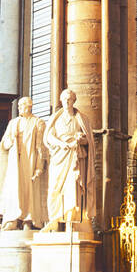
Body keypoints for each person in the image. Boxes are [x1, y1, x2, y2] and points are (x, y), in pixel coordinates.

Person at [41, 88, 96, 230]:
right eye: (64, 99)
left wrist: (79, 140)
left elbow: (88, 141)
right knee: (55, 187)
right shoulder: (56, 118)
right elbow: (49, 136)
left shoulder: (81, 119)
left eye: (69, 99)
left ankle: (72, 221)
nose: (66, 101)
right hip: (59, 157)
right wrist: (62, 144)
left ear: (73, 101)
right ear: (61, 100)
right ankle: (54, 220)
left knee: (73, 188)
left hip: (75, 157)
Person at [0, 96, 45, 229]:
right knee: (14, 189)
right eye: (18, 106)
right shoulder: (13, 123)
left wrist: (39, 167)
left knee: (28, 189)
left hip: (29, 159)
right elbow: (4, 143)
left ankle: (28, 220)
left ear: (29, 106)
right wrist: (10, 142)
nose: (19, 108)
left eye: (21, 106)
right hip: (15, 161)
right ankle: (14, 218)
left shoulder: (38, 123)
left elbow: (40, 147)